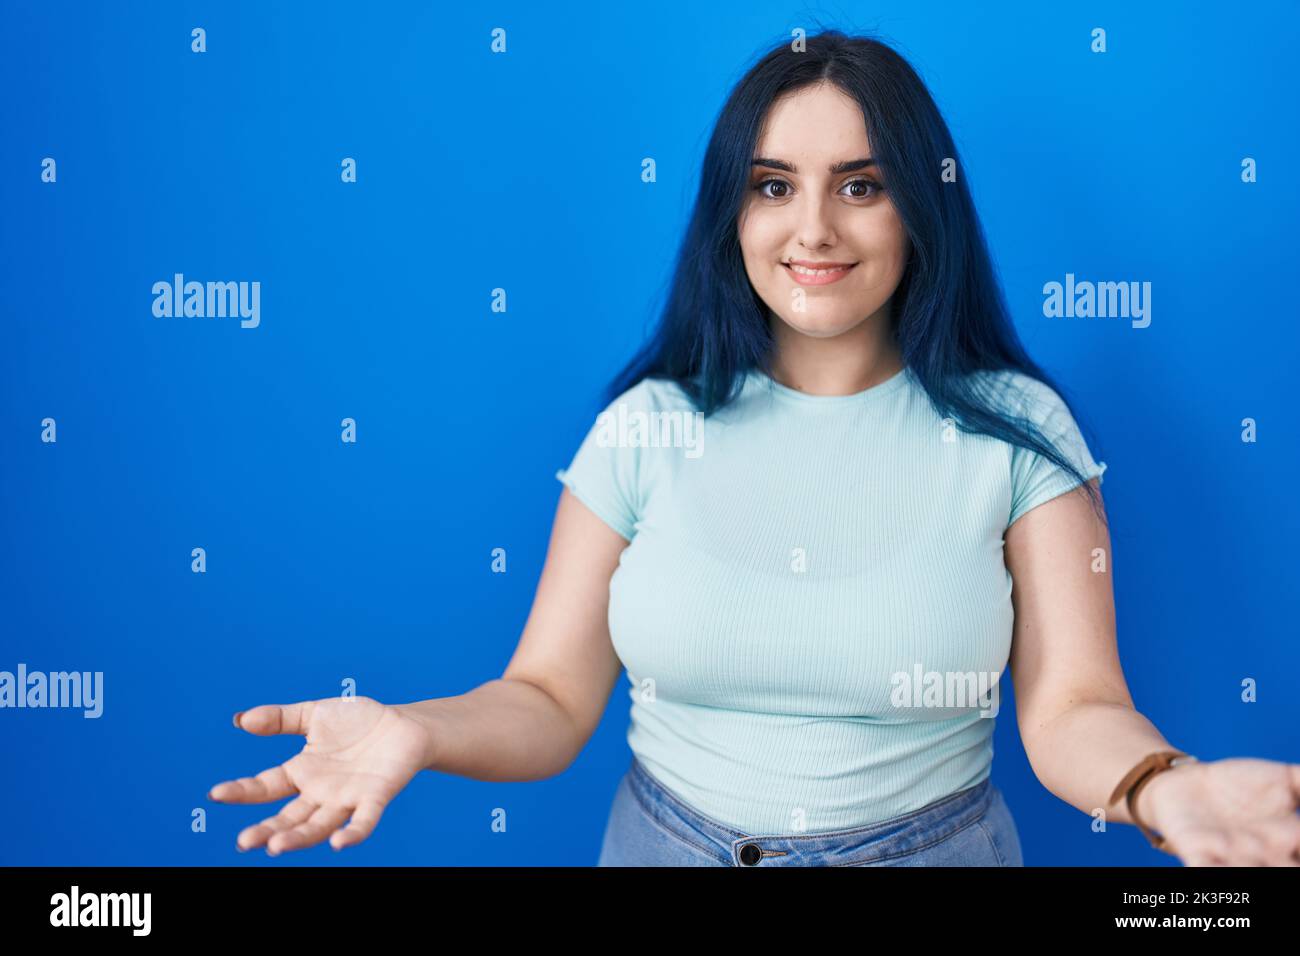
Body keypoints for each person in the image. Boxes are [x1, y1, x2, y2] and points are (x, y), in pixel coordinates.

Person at [208, 30, 1300, 866]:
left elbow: (1070, 708)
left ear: (921, 210)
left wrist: (1164, 786)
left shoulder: (1016, 430)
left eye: (860, 186)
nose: (812, 228)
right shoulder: (644, 425)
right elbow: (544, 699)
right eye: (774, 185)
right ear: (731, 212)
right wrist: (415, 727)